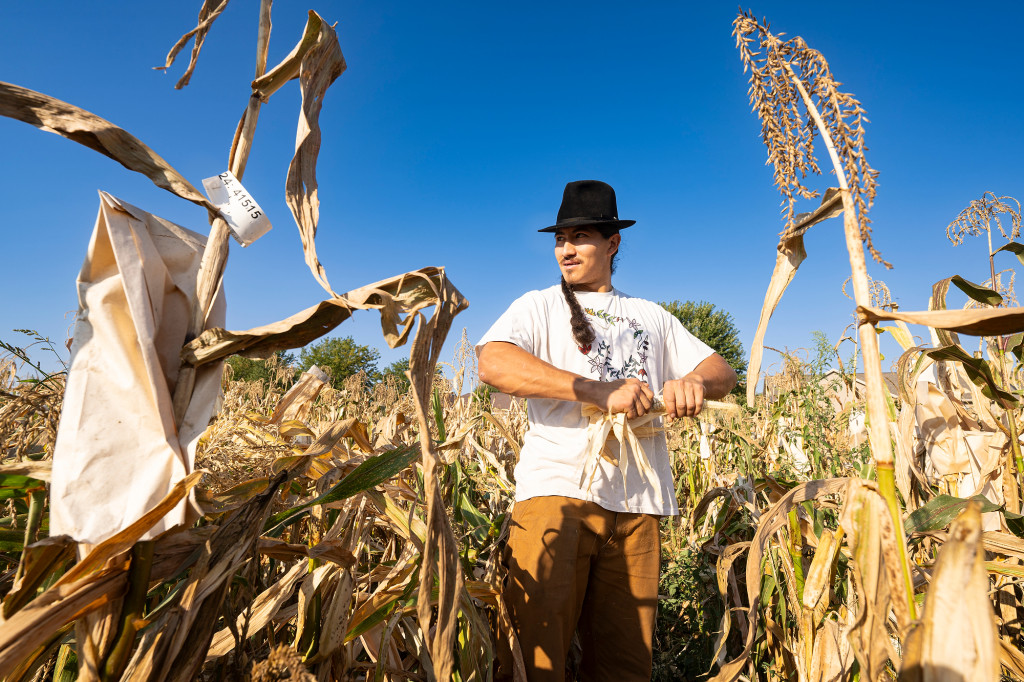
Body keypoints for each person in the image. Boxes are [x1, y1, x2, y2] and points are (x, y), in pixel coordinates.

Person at [476, 180, 737, 682]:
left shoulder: (651, 316)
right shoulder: (538, 306)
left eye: (580, 236)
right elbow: (493, 362)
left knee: (624, 667)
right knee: (535, 659)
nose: (566, 249)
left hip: (639, 507)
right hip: (558, 495)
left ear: (613, 243)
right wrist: (595, 390)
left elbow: (722, 372)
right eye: (560, 239)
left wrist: (691, 381)